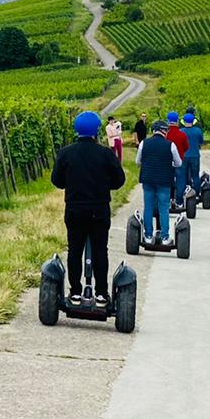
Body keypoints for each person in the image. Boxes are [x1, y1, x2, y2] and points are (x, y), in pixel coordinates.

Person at [51, 110, 127, 303]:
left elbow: (57, 181)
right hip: (99, 209)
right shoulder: (106, 154)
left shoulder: (65, 153)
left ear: (77, 130)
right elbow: (119, 180)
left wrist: (71, 183)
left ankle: (75, 291)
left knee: (75, 249)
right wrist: (104, 185)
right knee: (100, 250)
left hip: (75, 208)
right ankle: (101, 293)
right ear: (96, 130)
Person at [136, 118, 181, 243]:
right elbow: (178, 163)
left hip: (148, 179)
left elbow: (137, 161)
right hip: (164, 181)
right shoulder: (170, 145)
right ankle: (165, 236)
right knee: (163, 208)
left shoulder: (144, 143)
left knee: (148, 206)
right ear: (163, 131)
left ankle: (148, 236)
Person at [165, 111, 189, 200]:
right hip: (179, 161)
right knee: (180, 180)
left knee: (167, 180)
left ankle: (168, 198)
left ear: (167, 121)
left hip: (167, 162)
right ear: (177, 121)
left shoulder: (165, 134)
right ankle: (179, 200)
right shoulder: (182, 134)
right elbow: (186, 147)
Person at [182, 110, 204, 200]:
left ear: (184, 121)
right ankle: (197, 193)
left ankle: (184, 191)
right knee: (195, 175)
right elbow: (201, 142)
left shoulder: (181, 131)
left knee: (183, 175)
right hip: (195, 155)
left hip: (183, 156)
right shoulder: (198, 131)